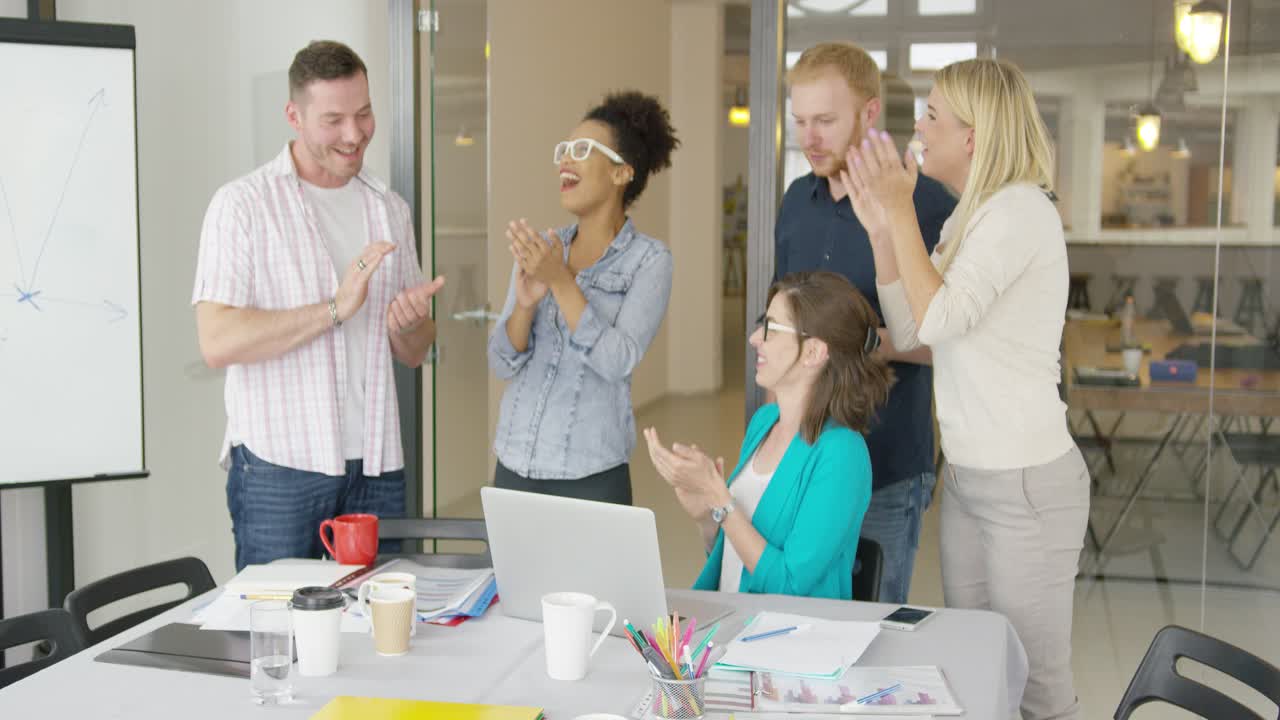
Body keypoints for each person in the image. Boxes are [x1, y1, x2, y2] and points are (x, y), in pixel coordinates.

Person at [842, 58, 1088, 720]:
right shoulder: (969, 217)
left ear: (974, 135)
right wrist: (882, 234)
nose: (918, 127)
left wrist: (898, 211)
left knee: (1036, 688)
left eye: (931, 115)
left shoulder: (1019, 213)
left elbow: (937, 316)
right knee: (982, 669)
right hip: (975, 480)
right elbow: (915, 333)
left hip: (1027, 487)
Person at [193, 41, 444, 571]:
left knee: (380, 637)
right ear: (294, 116)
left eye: (364, 113)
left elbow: (415, 353)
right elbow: (217, 342)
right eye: (333, 119)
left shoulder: (389, 209)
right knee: (276, 638)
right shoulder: (243, 206)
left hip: (377, 468)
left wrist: (411, 326)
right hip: (280, 469)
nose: (354, 135)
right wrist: (334, 308)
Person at [775, 42, 957, 604]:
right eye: (801, 121)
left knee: (871, 635)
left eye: (826, 120)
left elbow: (949, 341)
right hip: (803, 455)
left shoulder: (927, 208)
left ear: (870, 113)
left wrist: (867, 344)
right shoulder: (794, 202)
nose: (810, 137)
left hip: (888, 461)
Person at [644, 272, 893, 599]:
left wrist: (720, 499)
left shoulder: (842, 454)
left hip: (789, 639)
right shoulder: (764, 421)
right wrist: (707, 517)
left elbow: (789, 584)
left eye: (771, 329)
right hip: (734, 621)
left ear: (814, 353)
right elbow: (736, 560)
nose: (754, 339)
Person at [487, 91, 678, 505]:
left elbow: (617, 360)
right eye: (564, 150)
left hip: (590, 475)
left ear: (621, 173)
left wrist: (560, 282)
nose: (564, 161)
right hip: (514, 463)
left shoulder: (650, 260)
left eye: (581, 150)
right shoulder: (544, 247)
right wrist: (524, 304)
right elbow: (501, 362)